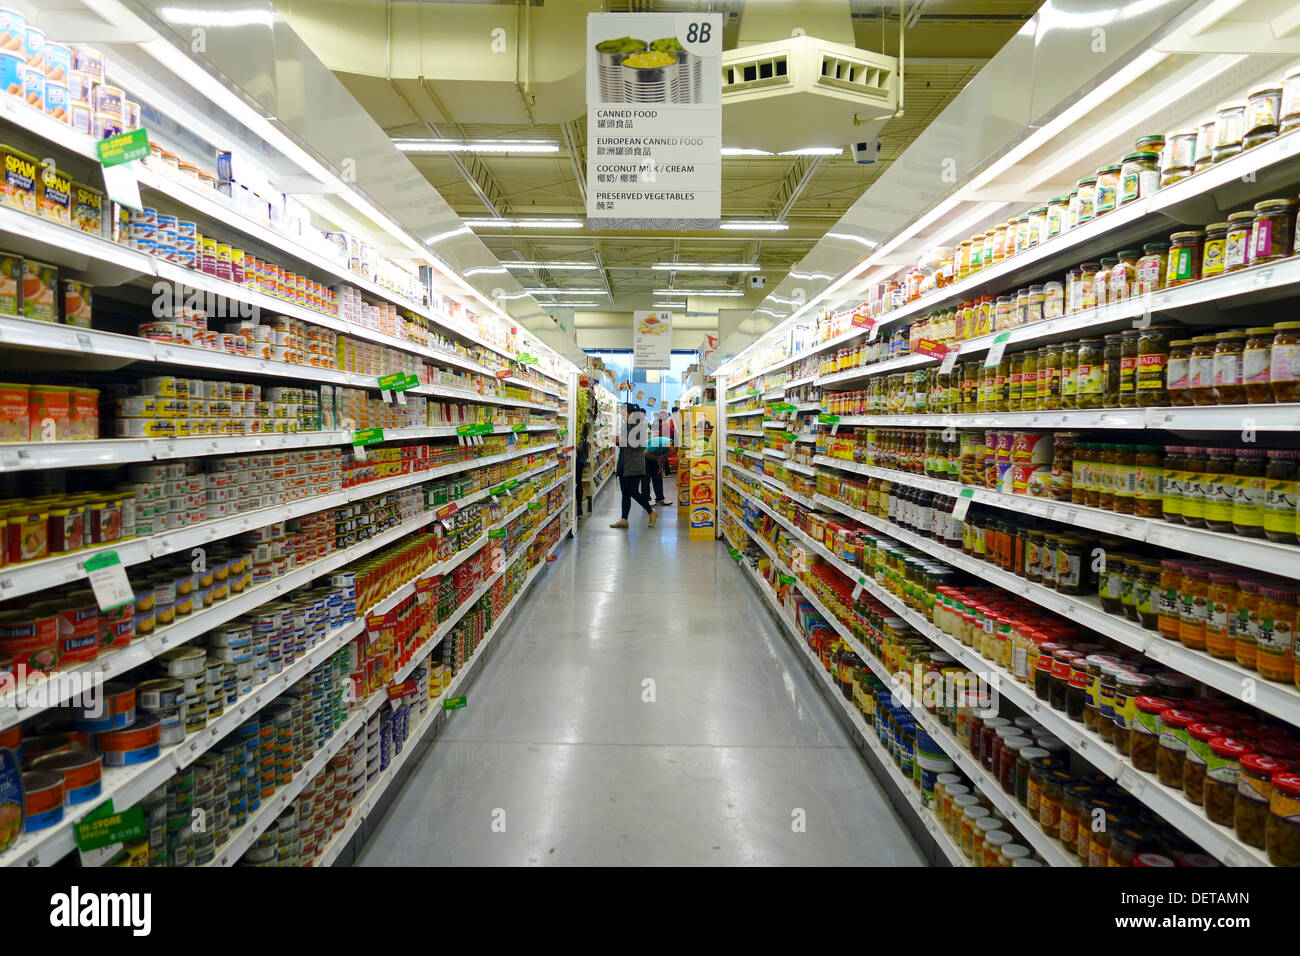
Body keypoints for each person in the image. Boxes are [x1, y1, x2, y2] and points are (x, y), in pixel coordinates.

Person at [610, 404, 656, 529]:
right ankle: (624, 519)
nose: (623, 416)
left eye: (624, 414)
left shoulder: (639, 426)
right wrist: (619, 442)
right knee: (625, 492)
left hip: (634, 465)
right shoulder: (626, 426)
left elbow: (640, 445)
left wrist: (622, 441)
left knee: (632, 491)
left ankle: (651, 512)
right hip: (624, 464)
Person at [644, 432, 671, 505]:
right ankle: (646, 499)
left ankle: (660, 498)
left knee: (658, 475)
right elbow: (645, 452)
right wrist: (657, 457)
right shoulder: (661, 443)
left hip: (652, 457)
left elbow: (665, 457)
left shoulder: (670, 446)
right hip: (643, 457)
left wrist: (661, 468)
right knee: (646, 478)